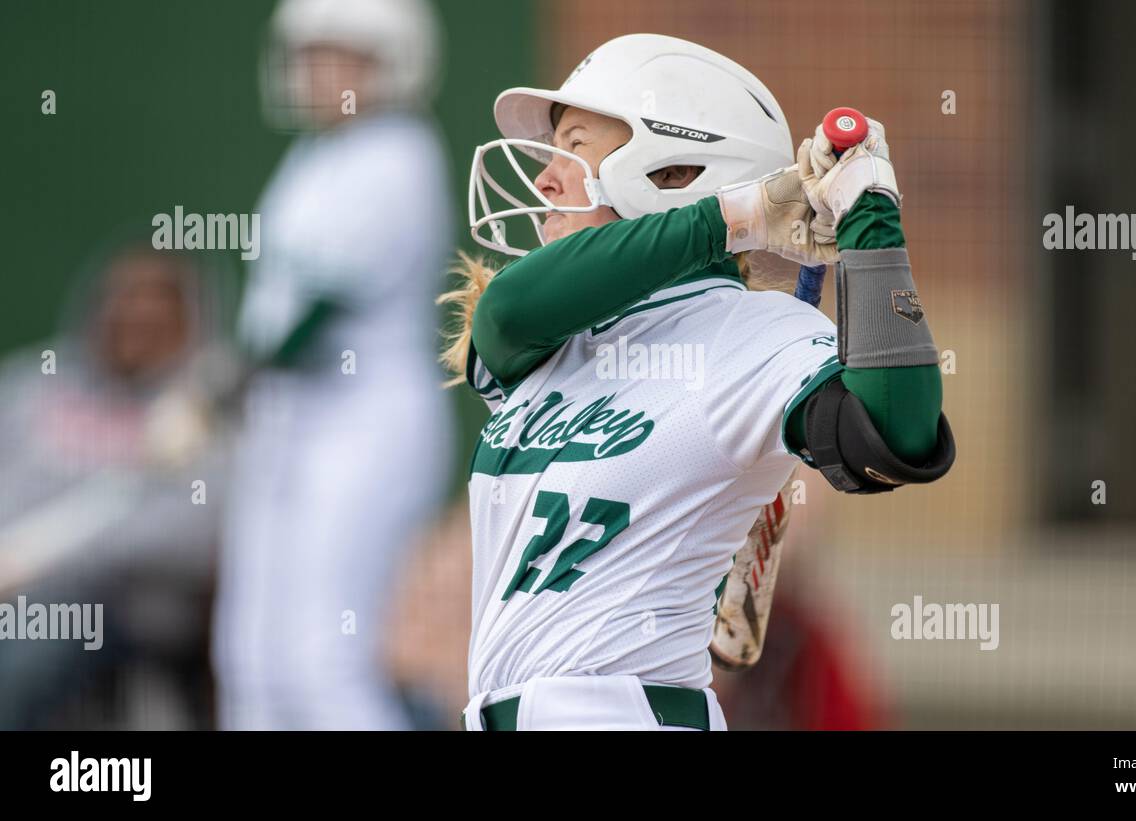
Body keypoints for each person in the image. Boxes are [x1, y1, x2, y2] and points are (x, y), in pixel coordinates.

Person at [442, 33, 955, 730]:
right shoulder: (541, 334)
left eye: (577, 143)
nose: (544, 179)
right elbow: (506, 309)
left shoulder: (753, 332)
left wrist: (871, 219)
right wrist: (735, 217)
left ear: (676, 171)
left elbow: (895, 432)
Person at [211, 0, 454, 729]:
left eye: (341, 55)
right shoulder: (313, 155)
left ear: (391, 63)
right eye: (311, 54)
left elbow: (312, 314)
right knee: (250, 659)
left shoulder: (400, 153)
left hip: (366, 418)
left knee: (324, 659)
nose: (320, 72)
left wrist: (214, 387)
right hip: (289, 419)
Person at [0, 243, 227, 729]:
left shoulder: (212, 405)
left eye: (157, 303)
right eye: (123, 299)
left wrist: (32, 559)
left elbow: (192, 533)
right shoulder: (33, 384)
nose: (134, 316)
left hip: (123, 610)